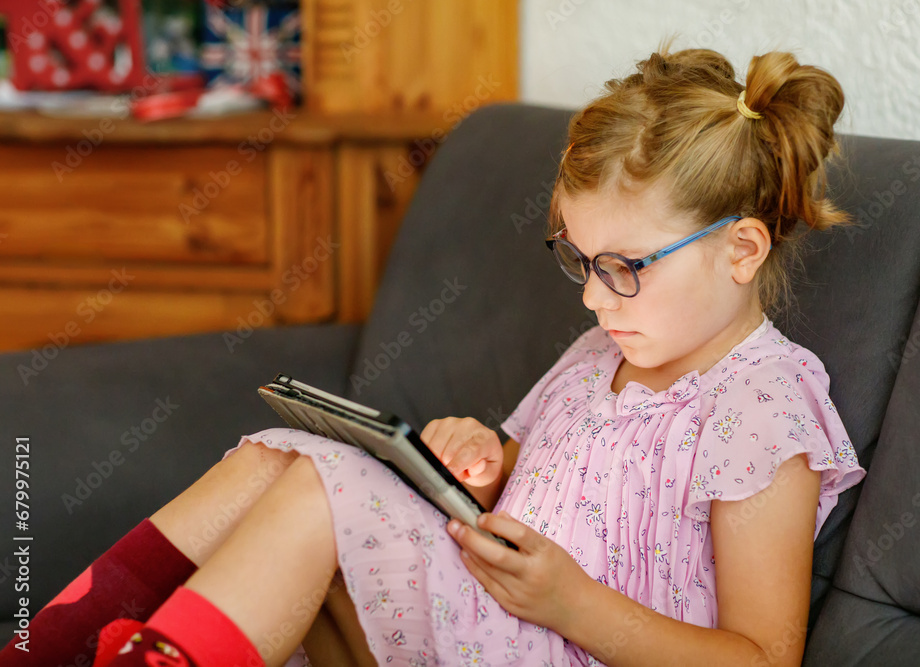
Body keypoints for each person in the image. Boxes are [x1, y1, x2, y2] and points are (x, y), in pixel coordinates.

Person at [1, 41, 867, 667]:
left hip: (566, 642)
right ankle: (47, 649)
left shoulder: (762, 409)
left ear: (742, 249)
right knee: (283, 454)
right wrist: (483, 463)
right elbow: (534, 473)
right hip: (493, 619)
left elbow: (759, 658)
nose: (593, 296)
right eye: (577, 257)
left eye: (622, 268)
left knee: (319, 482)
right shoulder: (604, 349)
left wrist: (573, 603)